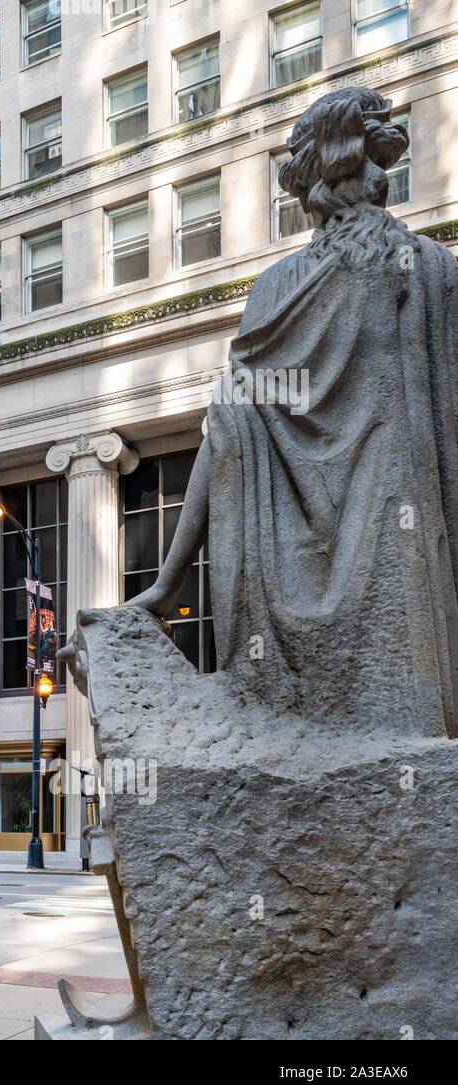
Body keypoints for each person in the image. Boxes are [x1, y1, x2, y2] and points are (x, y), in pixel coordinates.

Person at [132, 86, 458, 737]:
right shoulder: (428, 268)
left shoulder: (291, 285)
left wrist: (166, 587)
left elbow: (227, 431)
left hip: (335, 560)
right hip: (398, 535)